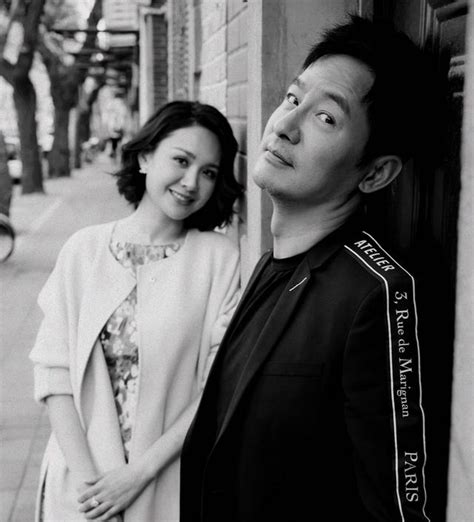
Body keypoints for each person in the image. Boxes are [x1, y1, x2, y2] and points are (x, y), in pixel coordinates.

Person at [180, 15, 438, 521]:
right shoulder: (272, 264)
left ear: (376, 172)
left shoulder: (378, 296)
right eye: (293, 98)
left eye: (325, 118)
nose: (284, 125)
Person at [29, 100, 243, 521]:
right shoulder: (83, 250)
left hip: (164, 486)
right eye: (181, 160)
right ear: (145, 157)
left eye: (208, 172)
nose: (191, 182)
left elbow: (217, 387)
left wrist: (136, 476)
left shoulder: (219, 260)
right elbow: (54, 375)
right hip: (77, 488)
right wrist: (91, 491)